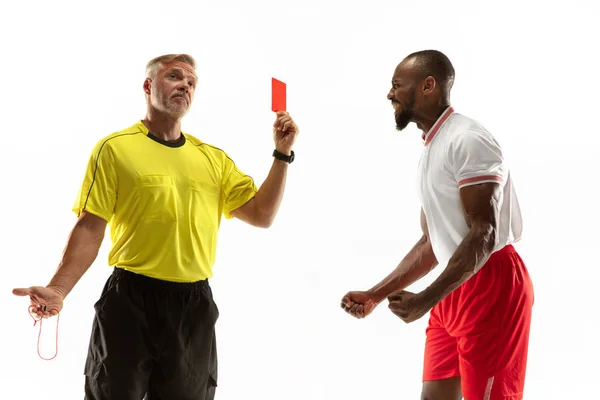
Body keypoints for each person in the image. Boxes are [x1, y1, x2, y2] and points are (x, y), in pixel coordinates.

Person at [13, 53, 299, 400]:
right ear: (148, 86)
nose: (185, 86)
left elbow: (262, 215)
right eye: (175, 77)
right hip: (129, 299)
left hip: (192, 306)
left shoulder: (212, 158)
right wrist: (58, 289)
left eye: (192, 82)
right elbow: (90, 226)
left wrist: (281, 154)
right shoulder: (115, 149)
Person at [340, 50, 534, 400]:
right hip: (455, 280)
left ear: (428, 85)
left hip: (491, 282)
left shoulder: (468, 140)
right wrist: (376, 294)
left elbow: (484, 235)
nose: (390, 94)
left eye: (397, 85)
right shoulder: (433, 146)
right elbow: (432, 241)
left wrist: (425, 299)